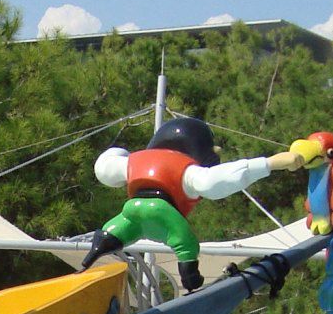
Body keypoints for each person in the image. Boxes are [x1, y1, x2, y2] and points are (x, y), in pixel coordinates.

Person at [85, 116, 305, 292]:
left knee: (115, 231)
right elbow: (222, 179)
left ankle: (94, 252)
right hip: (164, 212)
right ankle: (190, 280)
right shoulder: (189, 170)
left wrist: (118, 152)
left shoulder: (133, 162)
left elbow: (104, 168)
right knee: (186, 245)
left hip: (131, 212)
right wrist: (271, 163)